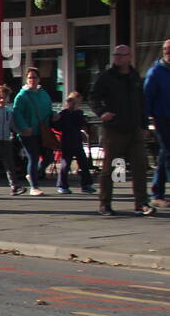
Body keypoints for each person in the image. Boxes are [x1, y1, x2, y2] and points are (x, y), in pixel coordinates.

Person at [91, 44, 154, 217]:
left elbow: (141, 104)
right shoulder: (106, 77)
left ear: (129, 57)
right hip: (114, 129)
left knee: (140, 166)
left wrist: (144, 126)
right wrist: (102, 112)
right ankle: (105, 204)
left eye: (121, 55)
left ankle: (141, 203)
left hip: (134, 129)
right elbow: (94, 97)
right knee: (110, 168)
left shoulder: (134, 77)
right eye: (115, 55)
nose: (117, 58)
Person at [12, 67, 52, 196]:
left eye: (34, 77)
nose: (32, 80)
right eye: (30, 77)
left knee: (48, 157)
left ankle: (32, 174)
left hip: (42, 130)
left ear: (39, 79)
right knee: (33, 158)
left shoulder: (43, 93)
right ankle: (34, 187)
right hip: (27, 133)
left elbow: (48, 109)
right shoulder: (22, 95)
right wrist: (24, 127)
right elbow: (16, 113)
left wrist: (54, 115)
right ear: (26, 79)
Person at [145, 38, 170, 208]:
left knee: (164, 154)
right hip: (162, 118)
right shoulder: (156, 72)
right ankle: (157, 192)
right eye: (168, 50)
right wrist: (145, 121)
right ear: (164, 52)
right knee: (168, 152)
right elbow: (146, 97)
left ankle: (156, 192)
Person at [53, 92, 94, 194]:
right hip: (67, 141)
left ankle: (86, 184)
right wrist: (55, 120)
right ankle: (62, 185)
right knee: (65, 164)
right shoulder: (64, 114)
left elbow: (82, 124)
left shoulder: (78, 113)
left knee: (83, 163)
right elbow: (57, 126)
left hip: (77, 140)